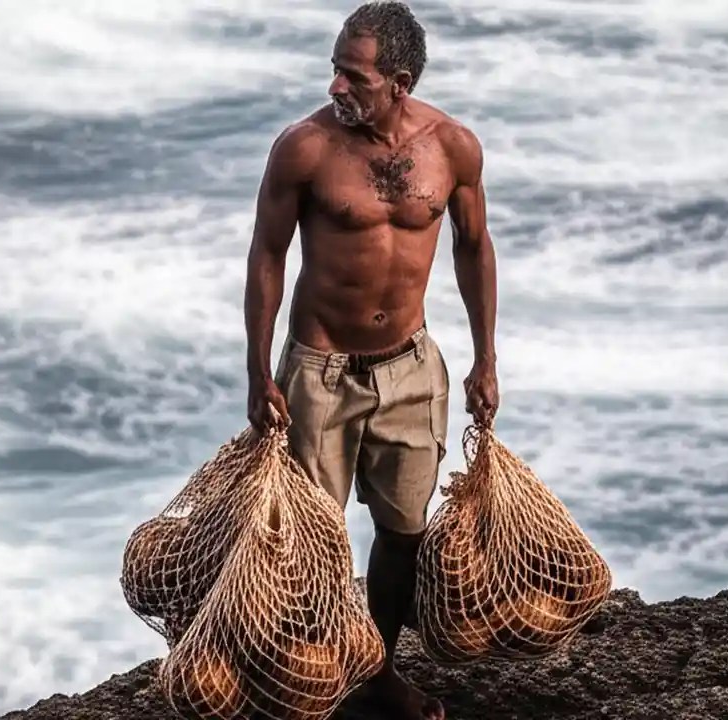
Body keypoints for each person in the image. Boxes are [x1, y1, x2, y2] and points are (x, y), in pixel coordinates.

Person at [243, 2, 498, 718]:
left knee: (404, 531)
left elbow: (474, 247)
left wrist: (485, 359)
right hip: (320, 370)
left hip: (411, 365)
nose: (334, 88)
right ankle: (318, 674)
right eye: (333, 70)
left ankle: (376, 675)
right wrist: (258, 369)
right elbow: (268, 253)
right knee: (314, 543)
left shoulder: (453, 147)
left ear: (400, 81)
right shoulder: (305, 149)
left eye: (352, 76)